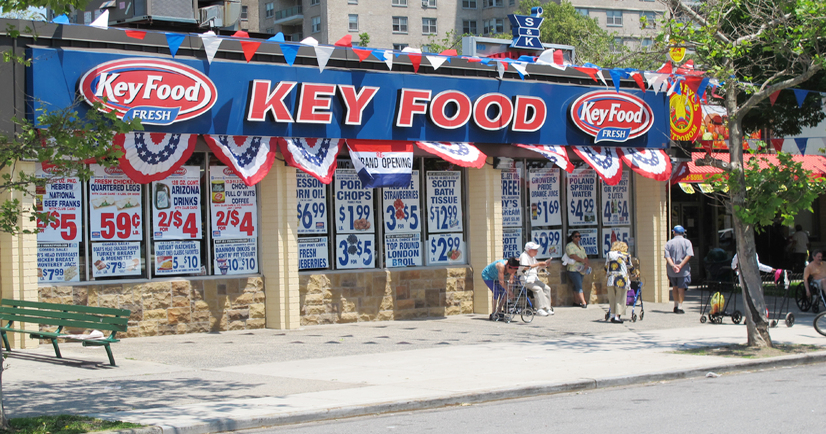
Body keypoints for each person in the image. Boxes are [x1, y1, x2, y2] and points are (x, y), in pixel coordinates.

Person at [518, 242, 554, 316]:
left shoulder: (533, 257)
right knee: (538, 289)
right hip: (526, 280)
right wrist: (538, 264)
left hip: (534, 279)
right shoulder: (524, 256)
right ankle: (540, 309)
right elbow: (525, 267)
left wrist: (545, 265)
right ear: (530, 250)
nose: (537, 251)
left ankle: (547, 308)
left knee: (547, 288)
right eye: (535, 250)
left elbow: (537, 267)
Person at [664, 225, 693, 314]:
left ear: (674, 232)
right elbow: (689, 255)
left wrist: (673, 266)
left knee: (674, 287)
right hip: (683, 270)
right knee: (681, 288)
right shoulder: (687, 242)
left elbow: (667, 256)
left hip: (671, 270)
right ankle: (680, 306)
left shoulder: (669, 243)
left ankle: (675, 305)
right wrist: (680, 266)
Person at [605, 241, 633, 324]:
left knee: (612, 298)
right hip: (621, 279)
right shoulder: (626, 255)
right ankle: (617, 316)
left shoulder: (609, 254)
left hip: (611, 279)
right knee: (620, 298)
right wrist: (635, 274)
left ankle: (613, 315)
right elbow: (630, 266)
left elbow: (606, 266)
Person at [564, 231, 590, 308]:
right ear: (572, 237)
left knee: (576, 286)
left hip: (581, 269)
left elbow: (585, 256)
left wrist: (586, 263)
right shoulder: (569, 246)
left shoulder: (581, 247)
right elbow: (573, 256)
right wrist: (583, 260)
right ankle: (583, 302)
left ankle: (576, 301)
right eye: (576, 236)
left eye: (579, 236)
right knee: (579, 285)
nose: (578, 238)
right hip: (573, 269)